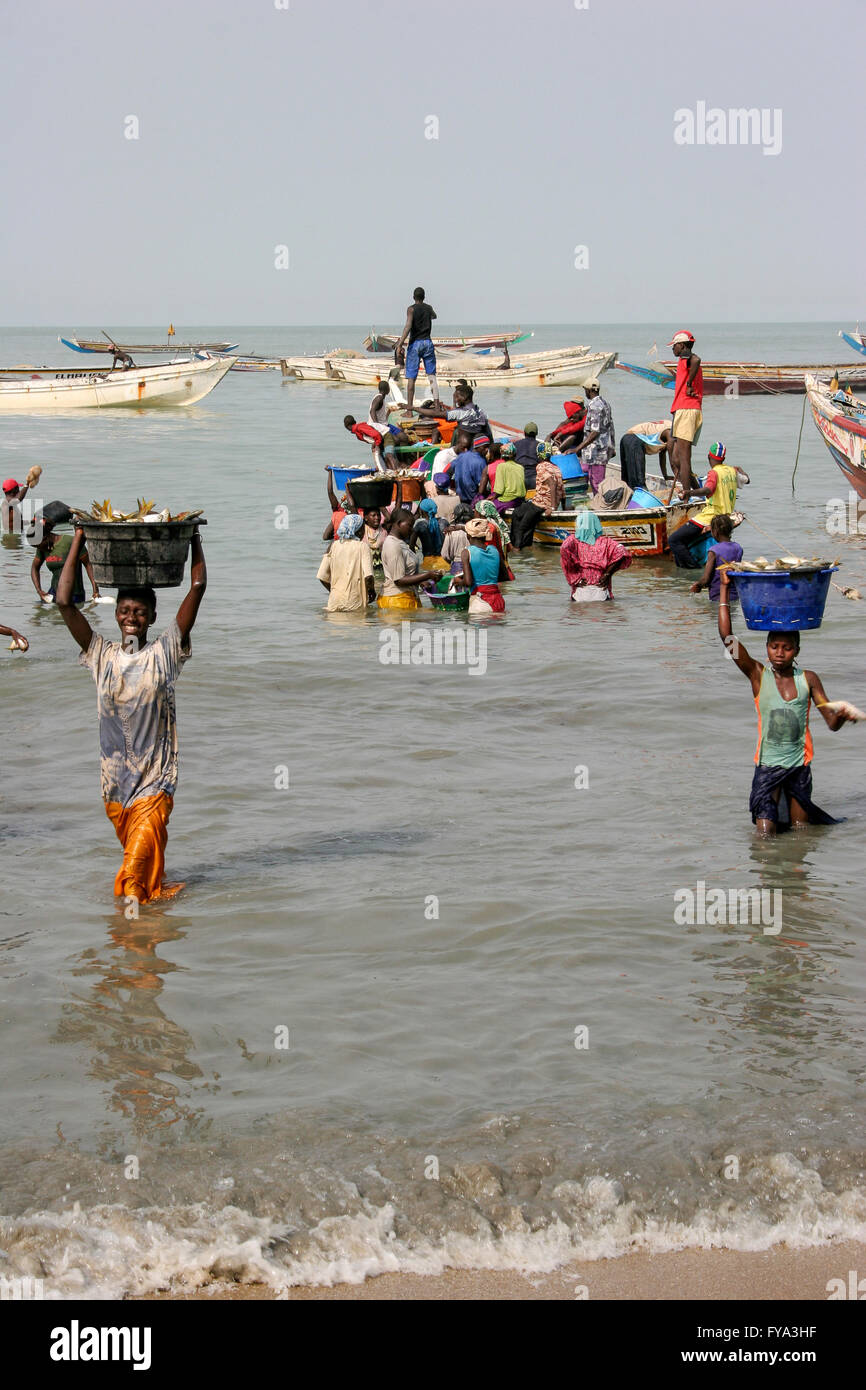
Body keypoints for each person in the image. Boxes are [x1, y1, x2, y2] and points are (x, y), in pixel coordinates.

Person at [56, 525, 206, 904]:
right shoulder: (101, 655)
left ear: (153, 616)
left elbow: (198, 588)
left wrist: (193, 539)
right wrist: (78, 539)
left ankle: (133, 948)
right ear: (116, 615)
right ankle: (150, 916)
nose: (131, 617)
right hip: (115, 788)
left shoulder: (165, 653)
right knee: (138, 866)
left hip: (155, 784)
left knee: (132, 880)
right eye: (125, 610)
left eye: (140, 611)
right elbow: (63, 602)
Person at [717, 569, 856, 835]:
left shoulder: (809, 679)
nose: (779, 653)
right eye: (774, 647)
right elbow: (727, 637)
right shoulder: (757, 675)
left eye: (787, 648)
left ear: (797, 651)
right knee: (765, 836)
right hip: (768, 767)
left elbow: (831, 723)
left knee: (801, 832)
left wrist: (842, 715)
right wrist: (725, 589)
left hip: (799, 767)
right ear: (766, 649)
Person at [668, 442, 749, 569]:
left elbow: (708, 490)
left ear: (708, 457)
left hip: (710, 516)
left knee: (674, 540)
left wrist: (689, 492)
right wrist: (740, 470)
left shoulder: (714, 473)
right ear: (723, 459)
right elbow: (746, 479)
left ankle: (692, 569)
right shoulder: (732, 471)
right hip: (726, 517)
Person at [31, 505, 100, 604]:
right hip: (54, 592)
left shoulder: (70, 542)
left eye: (38, 545)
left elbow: (88, 565)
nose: (38, 548)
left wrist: (95, 590)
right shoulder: (42, 548)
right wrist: (39, 591)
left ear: (46, 537)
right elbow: (34, 568)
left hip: (75, 594)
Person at [559, 509, 632, 602]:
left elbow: (564, 549)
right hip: (601, 587)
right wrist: (607, 574)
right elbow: (622, 552)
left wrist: (574, 577)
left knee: (578, 615)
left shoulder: (573, 540)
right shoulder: (606, 542)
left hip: (581, 587)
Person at [667, 330, 703, 491]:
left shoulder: (688, 357)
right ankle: (696, 492)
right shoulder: (682, 360)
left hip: (688, 408)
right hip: (680, 410)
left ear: (681, 345)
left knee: (683, 457)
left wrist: (689, 385)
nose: (672, 349)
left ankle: (687, 495)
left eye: (674, 346)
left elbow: (697, 359)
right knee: (675, 459)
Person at [317, 514, 376, 611]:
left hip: (334, 602)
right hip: (354, 603)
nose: (363, 532)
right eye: (362, 529)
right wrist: (372, 592)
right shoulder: (362, 547)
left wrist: (333, 590)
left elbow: (322, 576)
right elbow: (368, 577)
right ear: (358, 531)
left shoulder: (333, 546)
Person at [378, 509, 434, 609]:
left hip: (404, 598)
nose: (412, 529)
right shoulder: (392, 545)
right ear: (399, 523)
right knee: (406, 624)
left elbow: (405, 573)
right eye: (409, 525)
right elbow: (399, 580)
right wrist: (428, 575)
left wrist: (420, 582)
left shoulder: (400, 543)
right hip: (397, 601)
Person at [393, 287, 438, 410]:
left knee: (411, 378)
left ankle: (409, 409)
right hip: (428, 343)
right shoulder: (428, 308)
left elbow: (408, 326)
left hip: (415, 344)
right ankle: (437, 406)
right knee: (432, 376)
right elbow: (434, 316)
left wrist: (400, 343)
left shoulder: (411, 309)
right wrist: (428, 315)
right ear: (424, 297)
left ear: (414, 297)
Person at [454, 518, 506, 614]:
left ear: (468, 535)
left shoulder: (467, 552)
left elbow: (468, 582)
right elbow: (504, 576)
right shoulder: (494, 550)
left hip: (480, 602)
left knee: (480, 629)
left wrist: (457, 581)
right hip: (498, 600)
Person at [413, 383, 491, 446]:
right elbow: (488, 433)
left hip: (464, 445)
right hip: (473, 444)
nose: (456, 399)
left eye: (457, 397)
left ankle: (434, 446)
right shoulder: (481, 412)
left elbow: (435, 414)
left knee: (453, 432)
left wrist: (414, 408)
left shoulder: (461, 413)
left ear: (465, 397)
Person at [689, 514, 743, 603]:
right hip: (734, 595)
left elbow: (706, 579)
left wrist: (698, 585)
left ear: (715, 532)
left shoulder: (713, 551)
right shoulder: (738, 548)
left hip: (718, 596)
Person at [574, 379, 615, 493]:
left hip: (596, 453)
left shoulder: (594, 406)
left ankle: (600, 507)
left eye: (585, 390)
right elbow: (611, 426)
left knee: (597, 484)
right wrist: (612, 446)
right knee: (587, 476)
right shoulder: (606, 404)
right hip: (597, 451)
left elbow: (595, 432)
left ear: (589, 390)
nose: (585, 393)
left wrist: (578, 448)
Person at [620, 420, 673, 489]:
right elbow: (673, 459)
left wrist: (665, 475)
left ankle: (629, 496)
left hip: (626, 438)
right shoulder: (671, 432)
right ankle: (639, 496)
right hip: (636, 439)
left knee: (626, 479)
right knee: (639, 482)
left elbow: (662, 455)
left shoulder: (668, 429)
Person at [411, 498, 450, 571]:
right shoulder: (444, 521)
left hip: (427, 563)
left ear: (422, 511)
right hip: (444, 562)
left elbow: (411, 545)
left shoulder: (420, 523)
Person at [2, 468, 40, 533]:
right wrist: (27, 484)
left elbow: (16, 522)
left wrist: (30, 521)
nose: (19, 490)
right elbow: (19, 498)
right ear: (14, 490)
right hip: (11, 538)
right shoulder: (6, 503)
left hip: (16, 535)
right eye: (18, 488)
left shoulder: (12, 505)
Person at [452, 433, 486, 504]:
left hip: (460, 497)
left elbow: (448, 470)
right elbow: (482, 485)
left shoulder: (460, 456)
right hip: (473, 499)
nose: (486, 450)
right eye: (485, 447)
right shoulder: (481, 461)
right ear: (477, 446)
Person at [513, 423, 543, 487]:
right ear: (536, 434)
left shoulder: (516, 444)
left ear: (524, 433)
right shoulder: (540, 446)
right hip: (534, 477)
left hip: (519, 477)